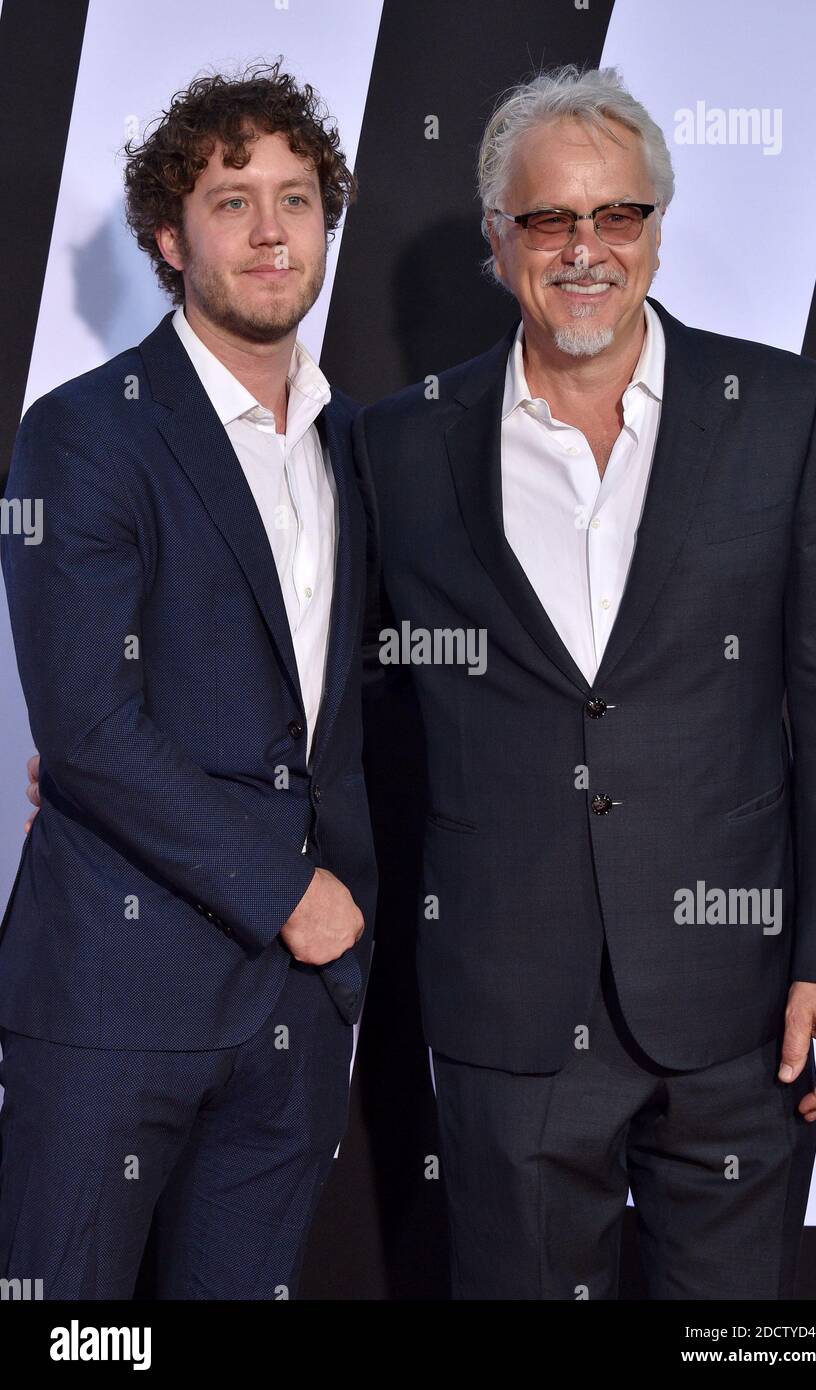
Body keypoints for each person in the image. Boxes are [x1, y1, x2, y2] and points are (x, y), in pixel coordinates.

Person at [355, 65, 816, 1299]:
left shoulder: (785, 413)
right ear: (498, 240)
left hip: (738, 1002)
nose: (585, 250)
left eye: (616, 215)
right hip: (502, 1005)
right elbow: (337, 688)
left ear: (654, 229)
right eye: (548, 220)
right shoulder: (397, 444)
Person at [0, 62, 375, 1300]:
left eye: (296, 196)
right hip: (116, 998)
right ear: (169, 234)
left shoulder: (348, 443)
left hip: (299, 1014)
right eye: (231, 200)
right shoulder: (85, 430)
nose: (272, 229)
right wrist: (289, 891)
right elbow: (90, 729)